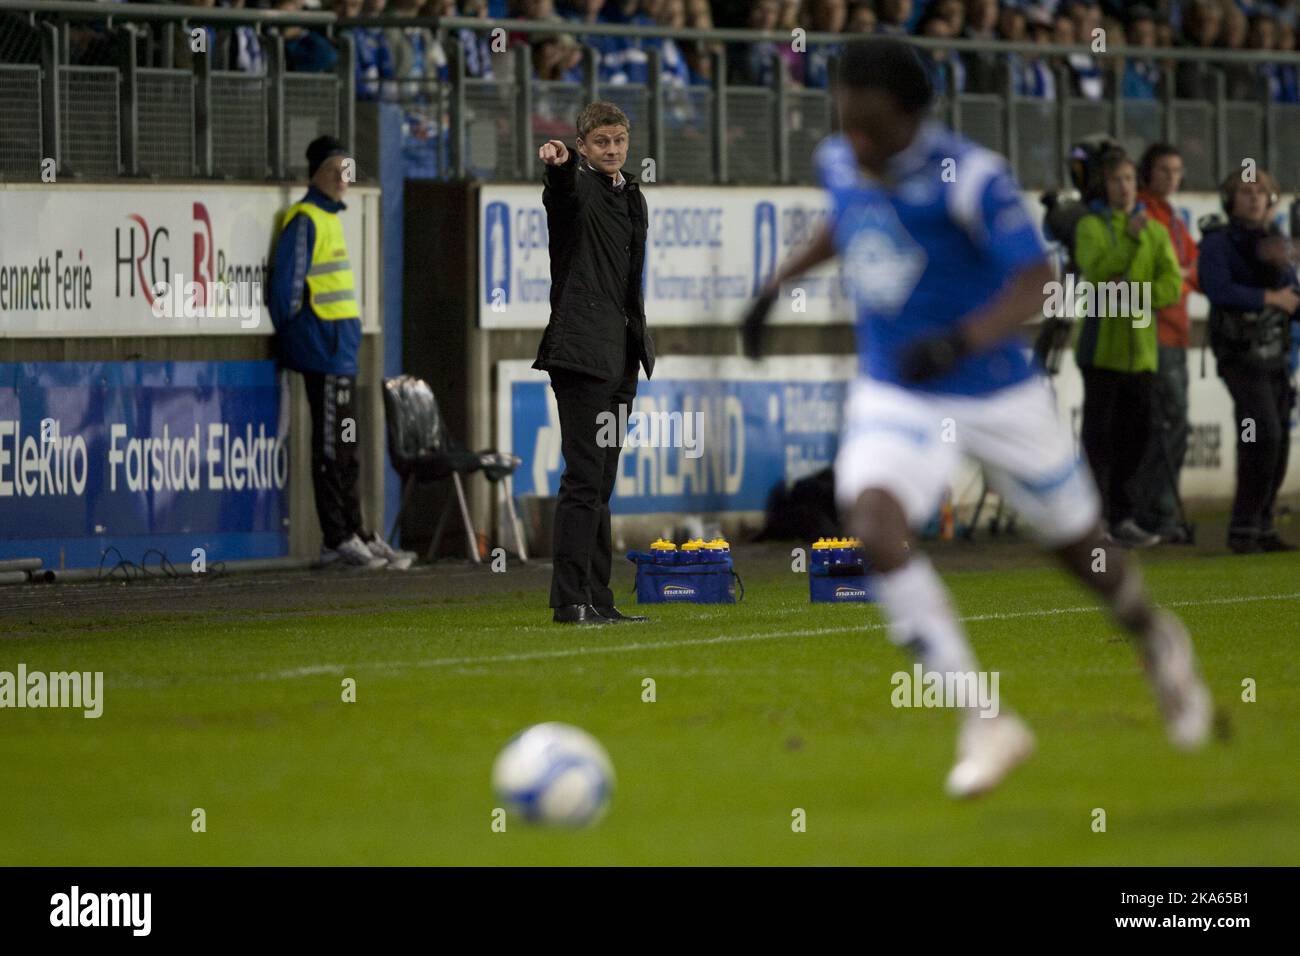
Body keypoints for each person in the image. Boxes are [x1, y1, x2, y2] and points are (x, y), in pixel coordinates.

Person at [741, 37, 1211, 798]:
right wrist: (777, 283)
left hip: (996, 391)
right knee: (874, 522)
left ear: (912, 117)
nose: (854, 141)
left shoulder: (968, 177)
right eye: (845, 122)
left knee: (1080, 553)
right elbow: (846, 218)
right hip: (899, 390)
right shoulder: (841, 158)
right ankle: (983, 717)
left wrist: (963, 338)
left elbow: (1036, 278)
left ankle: (1155, 636)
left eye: (870, 127)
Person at [269, 136, 415, 570]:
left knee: (347, 448)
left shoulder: (329, 219)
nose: (342, 178)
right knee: (333, 448)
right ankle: (337, 538)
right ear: (315, 172)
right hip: (322, 353)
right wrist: (300, 339)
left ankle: (358, 531)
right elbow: (286, 293)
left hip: (340, 354)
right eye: (334, 169)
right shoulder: (305, 218)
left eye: (347, 171)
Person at [535, 102, 656, 625]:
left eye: (619, 141)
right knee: (584, 480)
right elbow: (560, 194)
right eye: (601, 142)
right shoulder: (577, 186)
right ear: (581, 146)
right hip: (581, 354)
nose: (612, 150)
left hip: (620, 355)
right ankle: (569, 600)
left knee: (601, 482)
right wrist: (557, 165)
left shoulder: (631, 195)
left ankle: (598, 598)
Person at [1073, 149, 1182, 548]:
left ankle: (1123, 518)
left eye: (1130, 180)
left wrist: (1136, 294)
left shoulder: (1156, 230)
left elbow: (1172, 284)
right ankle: (1091, 520)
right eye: (1118, 179)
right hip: (1101, 351)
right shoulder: (1091, 226)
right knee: (1098, 441)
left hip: (1143, 354)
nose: (1125, 187)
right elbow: (1097, 272)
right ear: (1105, 184)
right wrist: (1129, 243)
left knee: (1137, 438)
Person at [1199, 169, 1300, 553]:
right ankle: (1243, 525)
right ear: (1229, 200)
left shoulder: (1275, 244)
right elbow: (1218, 289)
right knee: (1259, 433)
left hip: (1275, 357)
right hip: (1240, 358)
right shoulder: (1218, 243)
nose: (1254, 198)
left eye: (1261, 191)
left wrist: (1279, 268)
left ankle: (1261, 524)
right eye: (1245, 191)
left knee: (1274, 440)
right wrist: (1268, 298)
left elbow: (1291, 294)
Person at [1134, 143, 1199, 543]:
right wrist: (1179, 275)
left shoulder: (1172, 217)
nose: (1171, 177)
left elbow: (1191, 270)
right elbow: (1168, 274)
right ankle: (1157, 512)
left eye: (1176, 170)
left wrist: (1180, 275)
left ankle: (1157, 511)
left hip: (1176, 331)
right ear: (1147, 173)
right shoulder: (1144, 213)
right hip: (1155, 332)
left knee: (1171, 425)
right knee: (1168, 424)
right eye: (1163, 170)